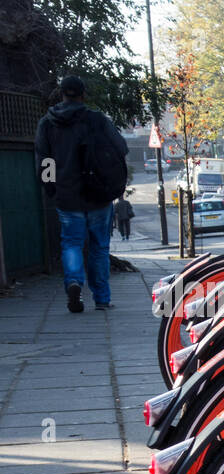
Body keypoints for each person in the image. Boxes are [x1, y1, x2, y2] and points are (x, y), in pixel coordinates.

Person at [34, 76, 129, 313]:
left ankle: (74, 282)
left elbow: (44, 161)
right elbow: (121, 148)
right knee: (99, 247)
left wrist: (51, 189)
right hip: (98, 194)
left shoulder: (48, 123)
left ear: (61, 94)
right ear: (83, 95)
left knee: (71, 243)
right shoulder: (97, 119)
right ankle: (102, 299)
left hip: (67, 196)